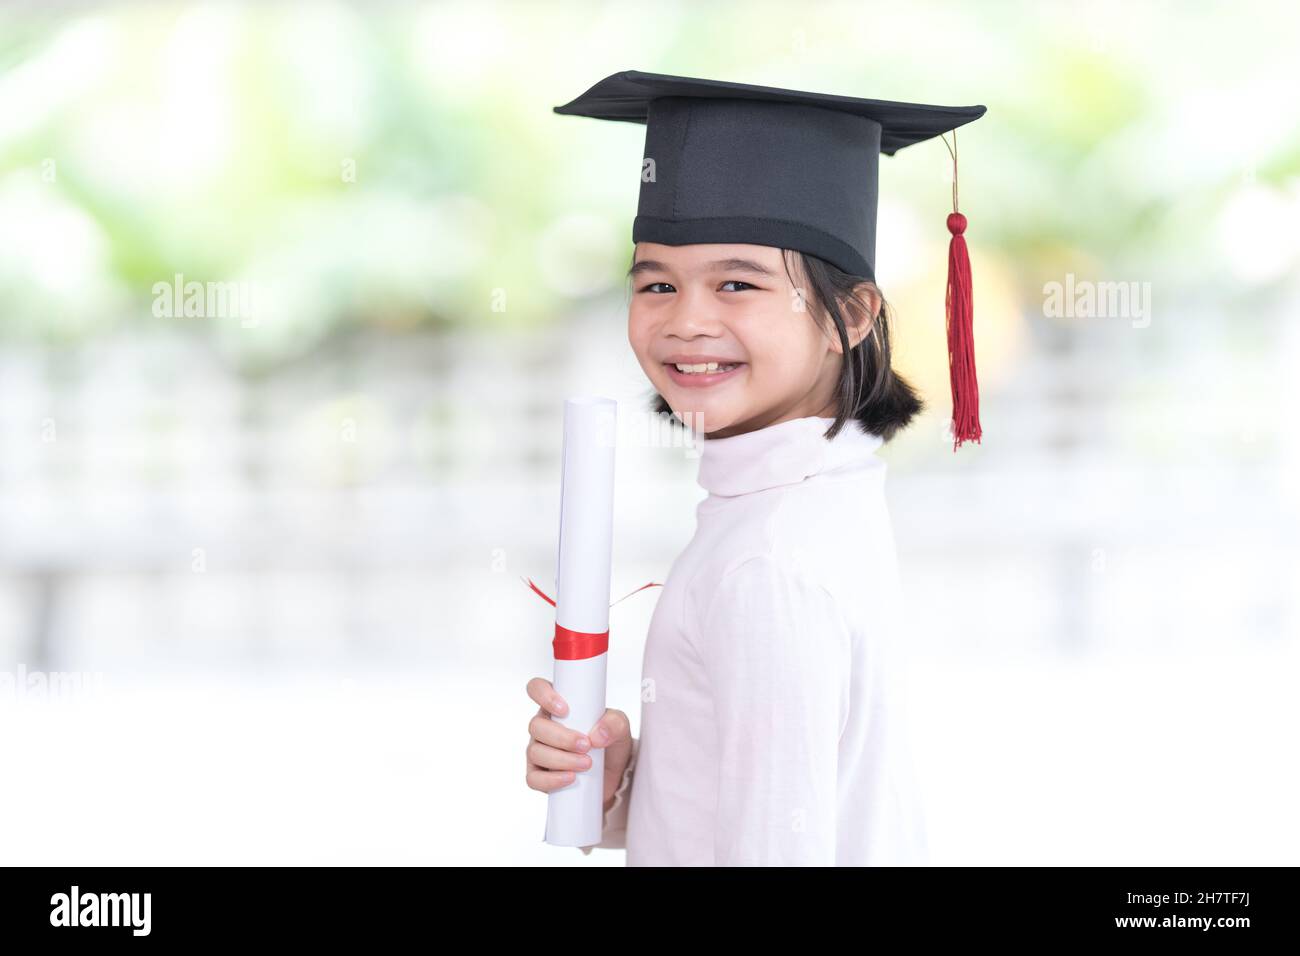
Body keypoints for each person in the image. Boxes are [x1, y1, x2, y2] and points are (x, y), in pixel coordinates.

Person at [525, 70, 987, 865]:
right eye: (657, 283)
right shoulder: (822, 496)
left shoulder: (768, 562)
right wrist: (621, 787)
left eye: (738, 284)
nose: (687, 320)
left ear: (850, 313)